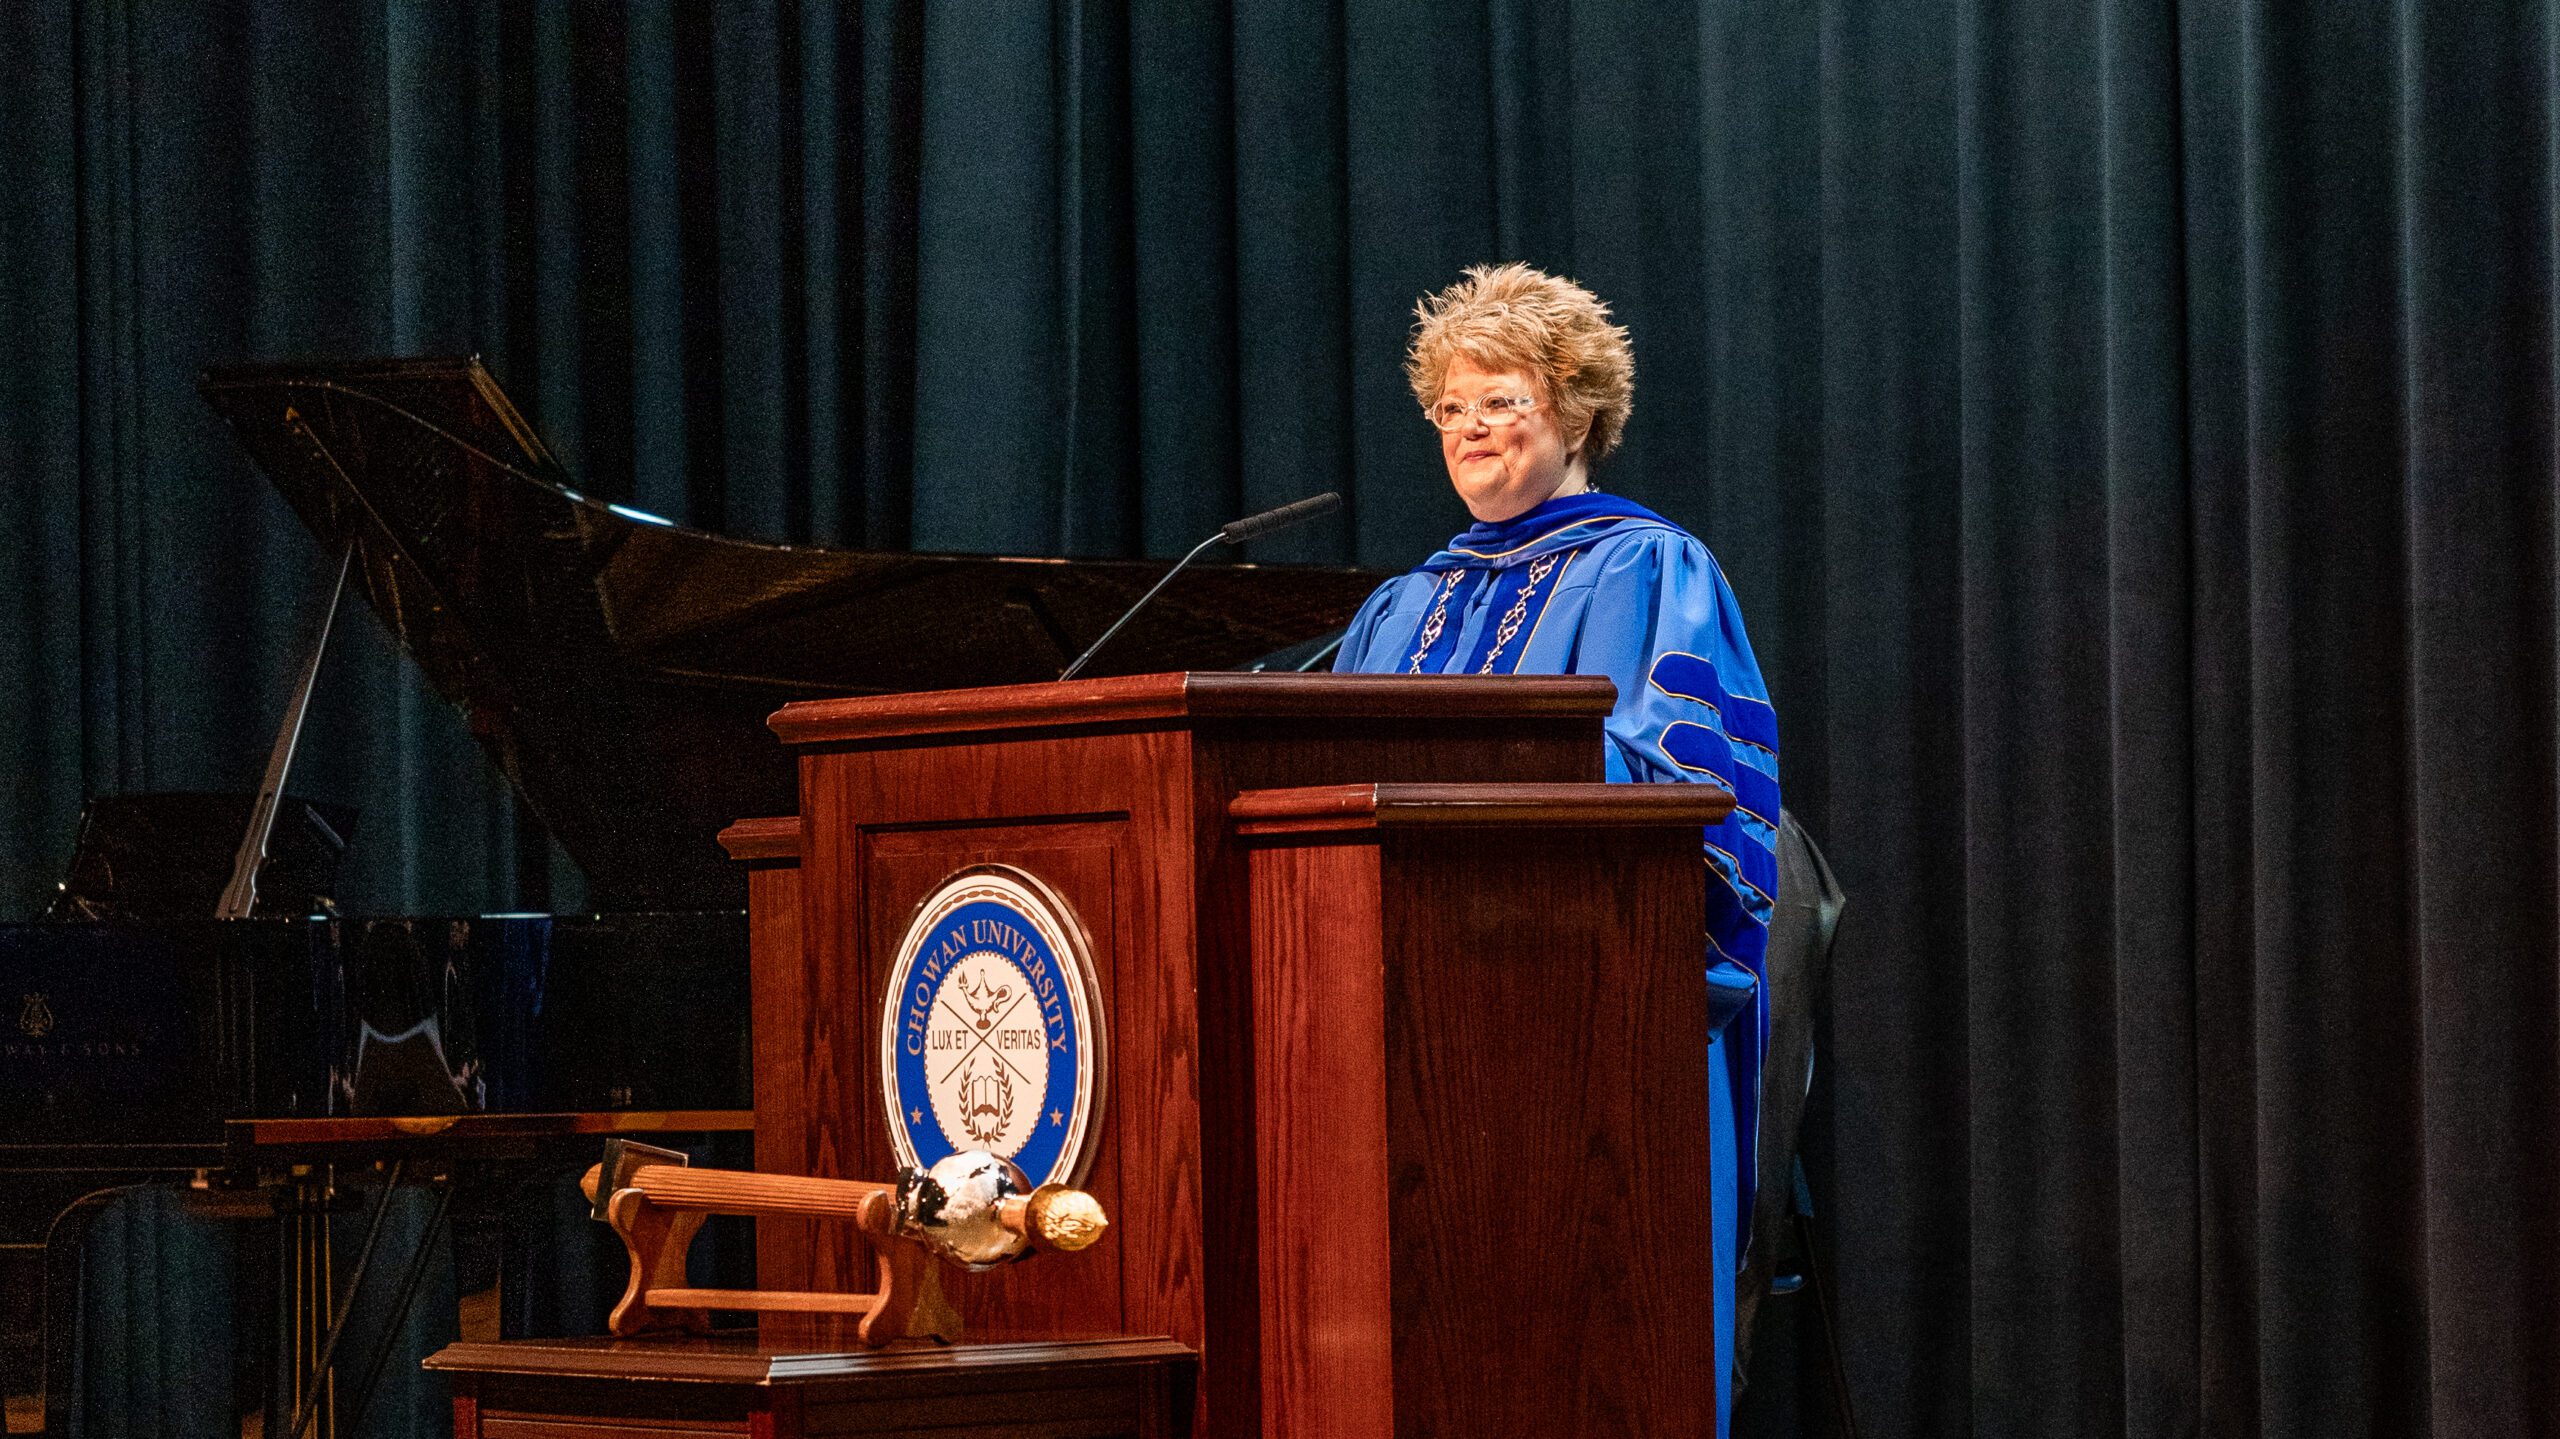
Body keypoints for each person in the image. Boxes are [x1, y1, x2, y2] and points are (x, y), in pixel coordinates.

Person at [1333, 262, 1778, 1432]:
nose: (1470, 430)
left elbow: (1688, 786)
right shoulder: (1396, 605)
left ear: (1573, 411)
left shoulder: (1647, 567)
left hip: (1579, 991)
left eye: (1500, 401)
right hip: (1386, 1013)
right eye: (1450, 408)